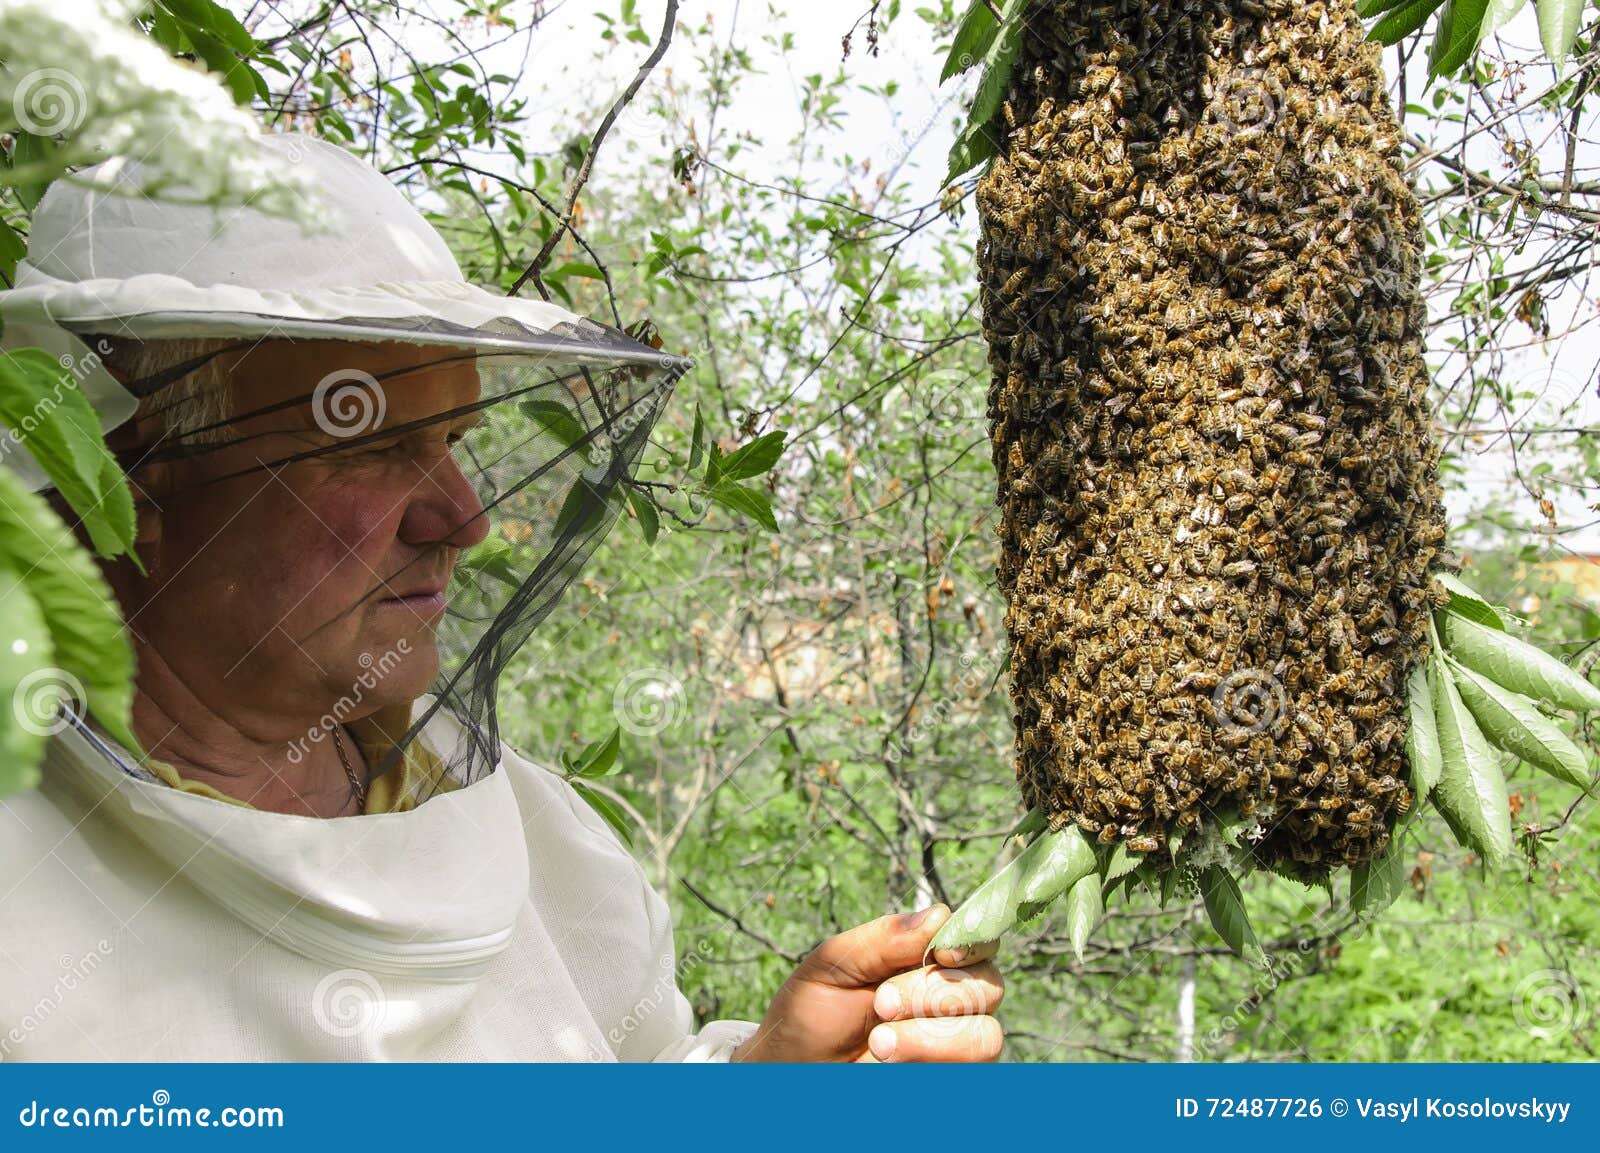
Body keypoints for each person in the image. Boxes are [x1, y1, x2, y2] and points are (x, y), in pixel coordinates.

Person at [0, 134, 1004, 1062]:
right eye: (374, 446)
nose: (465, 518)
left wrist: (772, 1080)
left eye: (454, 441)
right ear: (131, 483)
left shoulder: (518, 817)